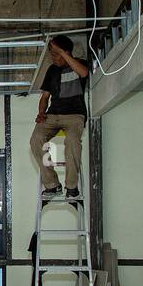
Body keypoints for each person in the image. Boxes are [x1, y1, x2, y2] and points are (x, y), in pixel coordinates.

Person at [30, 34, 90, 201]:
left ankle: (71, 186)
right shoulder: (52, 70)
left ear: (66, 52)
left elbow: (84, 73)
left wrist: (63, 54)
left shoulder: (80, 64)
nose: (54, 58)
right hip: (53, 115)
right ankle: (52, 185)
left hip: (75, 115)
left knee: (72, 142)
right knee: (36, 140)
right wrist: (41, 112)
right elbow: (44, 98)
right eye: (52, 55)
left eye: (56, 54)